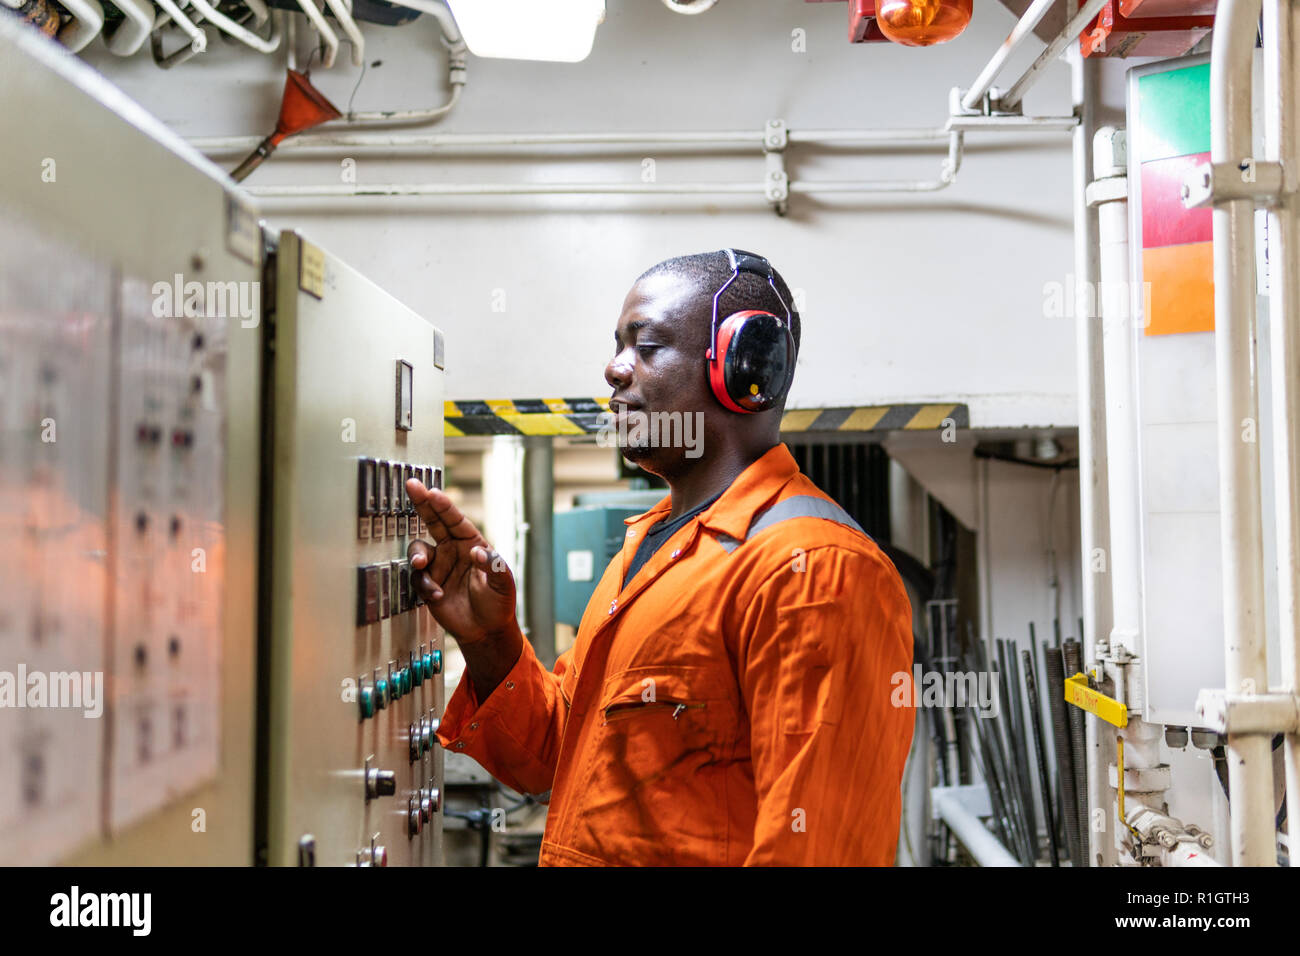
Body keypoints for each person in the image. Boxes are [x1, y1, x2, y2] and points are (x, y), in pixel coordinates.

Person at [405, 248, 914, 866]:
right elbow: (553, 760)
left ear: (743, 367)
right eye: (619, 346)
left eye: (645, 345)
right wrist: (490, 639)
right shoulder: (650, 546)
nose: (614, 370)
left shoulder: (812, 569)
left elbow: (822, 852)